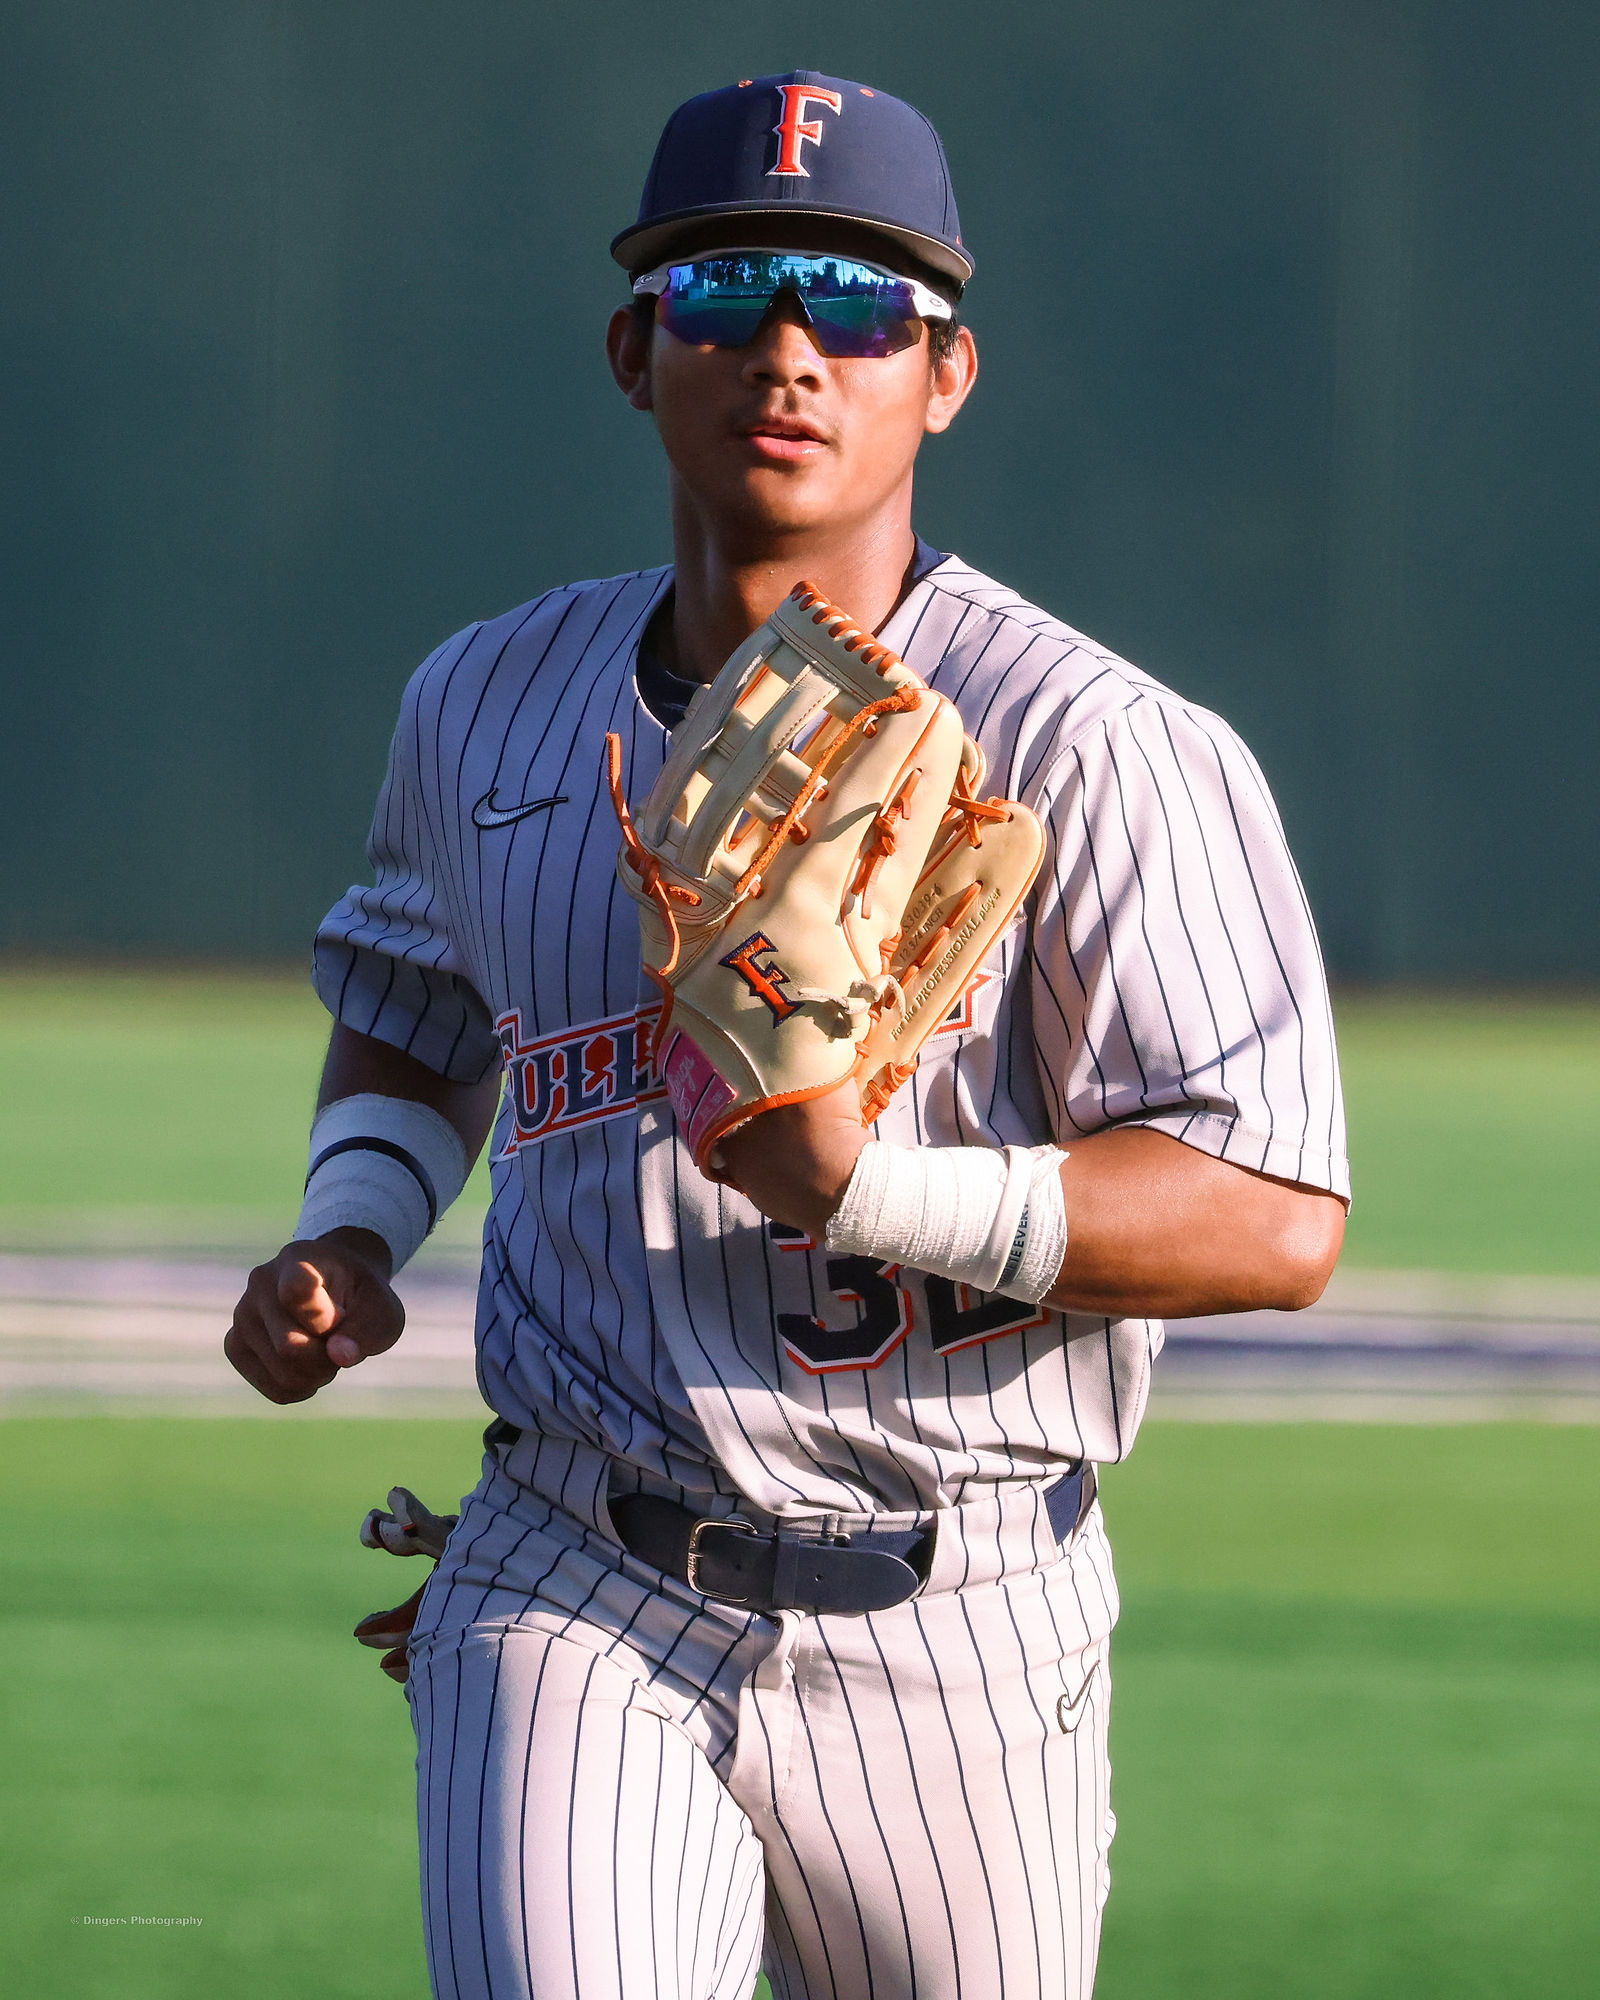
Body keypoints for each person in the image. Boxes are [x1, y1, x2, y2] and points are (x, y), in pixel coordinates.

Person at [226, 70, 1348, 2000]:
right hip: (576, 1570)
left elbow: (1271, 1216)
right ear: (633, 348)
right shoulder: (483, 707)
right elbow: (416, 1004)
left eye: (853, 296)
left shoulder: (1104, 744)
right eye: (732, 289)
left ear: (948, 370)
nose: (791, 348)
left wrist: (874, 1190)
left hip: (967, 1615)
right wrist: (351, 1225)